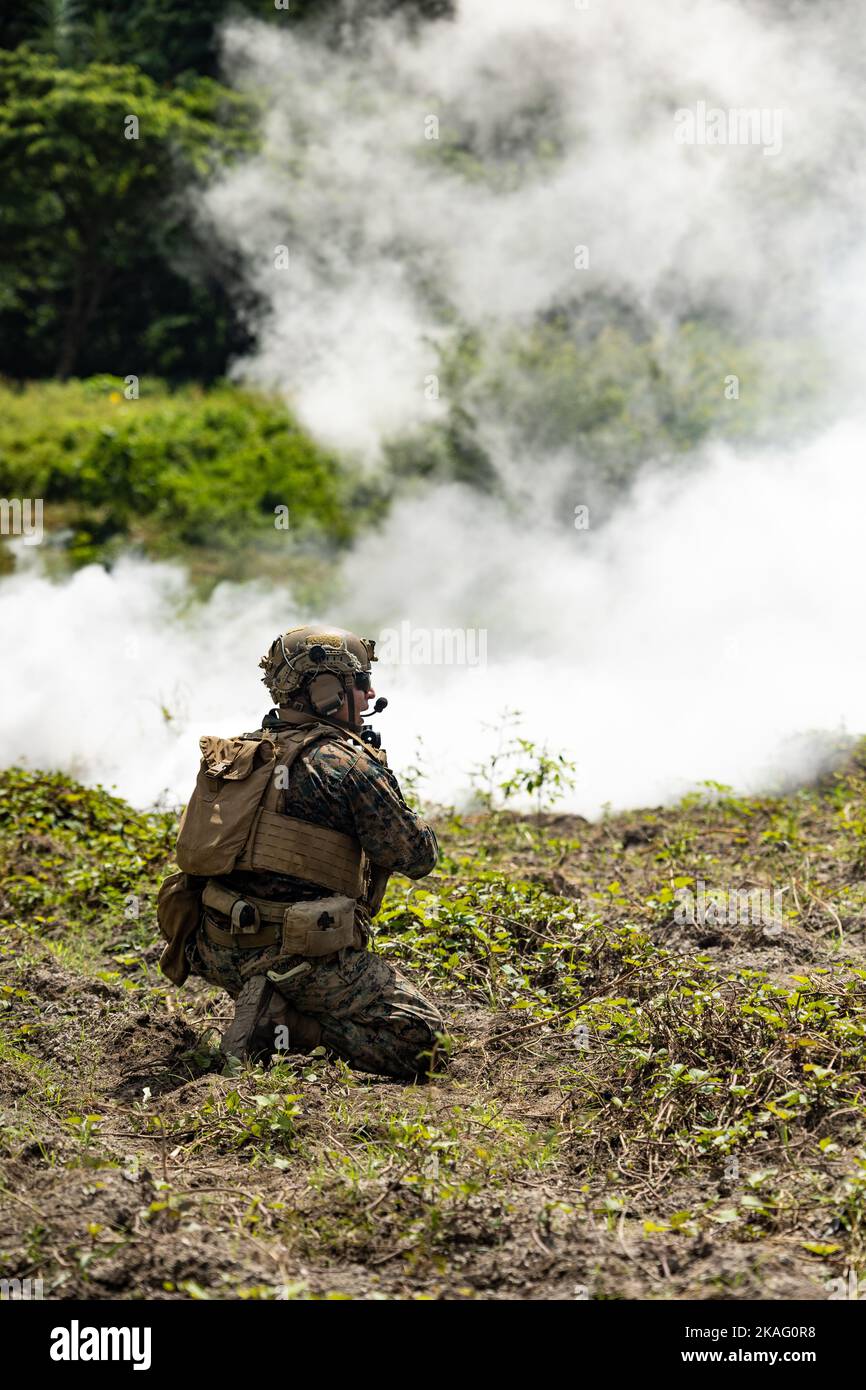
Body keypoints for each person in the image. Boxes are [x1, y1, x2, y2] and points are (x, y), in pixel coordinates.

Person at [163, 625, 444, 1081]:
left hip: (213, 947)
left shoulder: (237, 752)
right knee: (427, 1044)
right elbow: (418, 857)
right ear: (328, 692)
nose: (370, 692)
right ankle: (282, 1025)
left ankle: (268, 1001)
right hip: (295, 953)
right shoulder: (346, 764)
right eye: (359, 683)